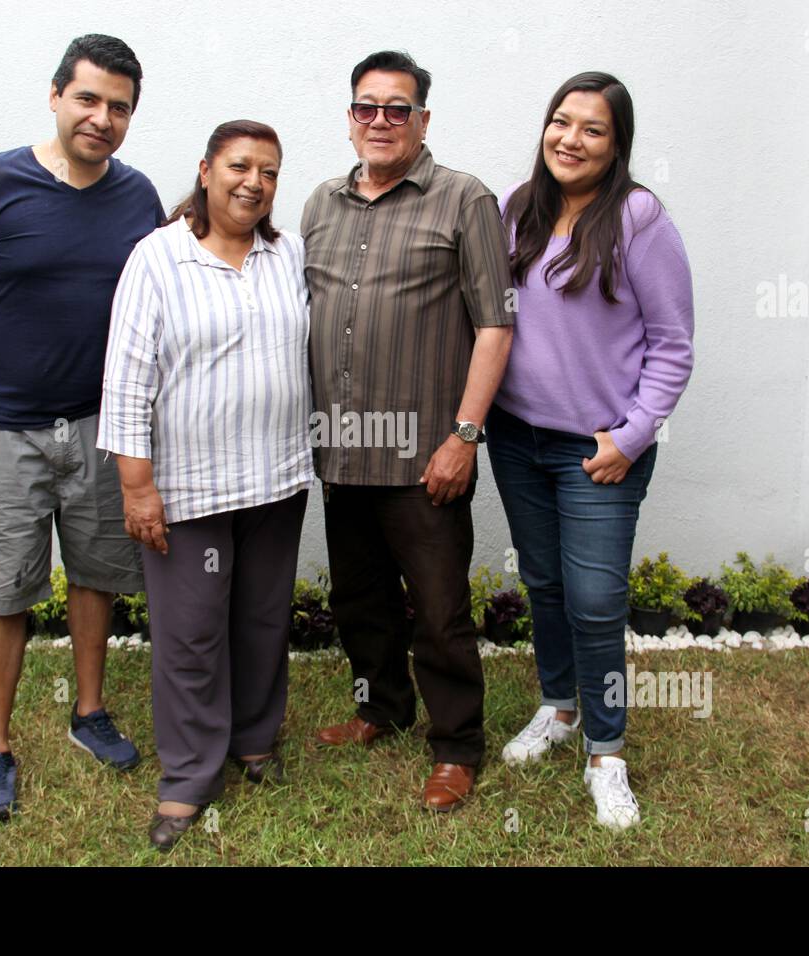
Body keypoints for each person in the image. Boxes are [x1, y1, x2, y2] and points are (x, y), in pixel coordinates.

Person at [0, 34, 166, 823]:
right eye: (90, 99)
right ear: (57, 95)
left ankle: (88, 711)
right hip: (9, 430)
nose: (103, 118)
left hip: (102, 427)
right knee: (6, 589)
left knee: (96, 574)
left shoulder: (137, 197)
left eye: (120, 107)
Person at [302, 51, 515, 812]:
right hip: (343, 448)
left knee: (439, 609)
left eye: (399, 108)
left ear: (424, 118)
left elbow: (495, 325)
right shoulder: (320, 204)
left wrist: (465, 435)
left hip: (426, 454)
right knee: (361, 599)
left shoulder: (466, 199)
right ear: (351, 117)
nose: (382, 120)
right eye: (368, 107)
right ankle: (380, 708)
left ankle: (456, 747)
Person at [99, 120, 314, 851]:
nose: (254, 182)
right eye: (239, 166)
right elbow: (127, 379)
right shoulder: (158, 258)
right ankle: (189, 775)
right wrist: (137, 487)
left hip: (277, 479)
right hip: (188, 489)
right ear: (205, 169)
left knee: (261, 621)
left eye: (270, 171)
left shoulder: (287, 255)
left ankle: (254, 741)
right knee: (191, 633)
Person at [488, 72, 695, 829]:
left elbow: (673, 347)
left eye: (592, 129)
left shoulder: (638, 219)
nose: (570, 139)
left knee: (598, 599)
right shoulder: (519, 208)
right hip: (515, 440)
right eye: (561, 122)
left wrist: (632, 436)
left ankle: (607, 753)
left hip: (599, 451)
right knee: (543, 582)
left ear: (617, 145)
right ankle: (560, 709)